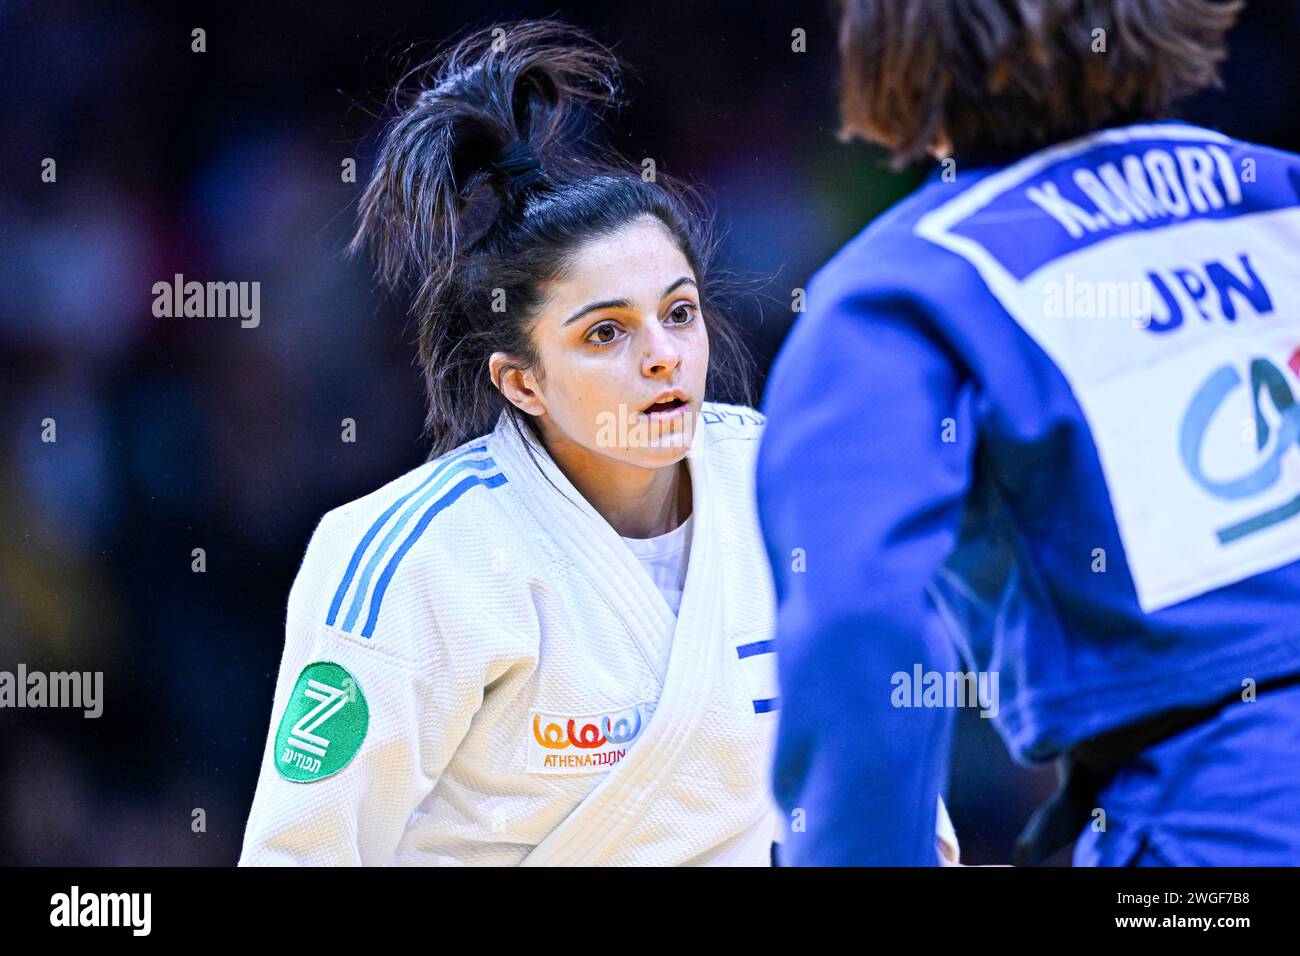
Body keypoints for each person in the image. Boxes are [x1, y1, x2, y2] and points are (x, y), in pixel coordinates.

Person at [237, 19, 963, 867]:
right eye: (605, 333)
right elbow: (302, 854)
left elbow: (876, 761)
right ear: (522, 382)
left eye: (679, 312)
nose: (662, 353)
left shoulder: (785, 481)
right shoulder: (418, 558)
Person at [758, 0, 1300, 866]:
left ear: (888, 46)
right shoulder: (1284, 195)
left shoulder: (903, 289)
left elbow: (860, 616)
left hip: (1216, 836)